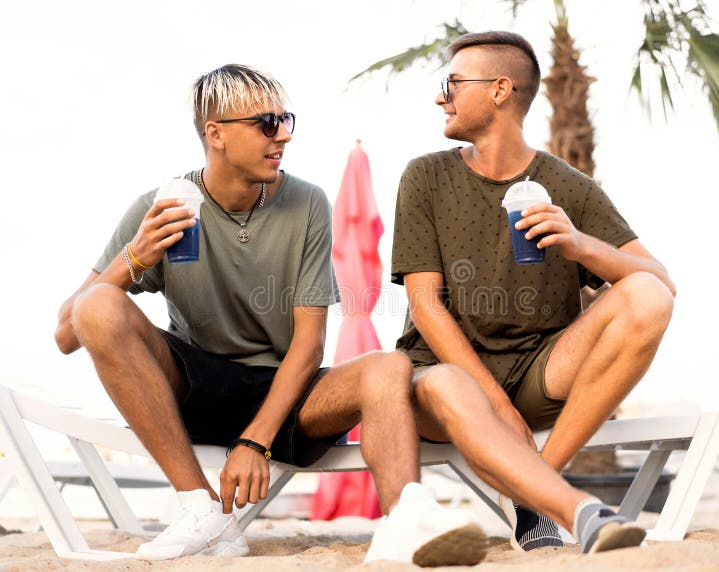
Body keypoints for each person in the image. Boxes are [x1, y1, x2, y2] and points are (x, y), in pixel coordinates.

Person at [54, 64, 488, 566]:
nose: (282, 134)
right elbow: (69, 331)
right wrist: (134, 257)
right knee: (100, 302)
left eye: (287, 120)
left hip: (286, 392)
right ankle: (200, 509)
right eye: (265, 123)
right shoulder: (162, 206)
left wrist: (254, 443)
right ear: (214, 134)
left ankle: (403, 521)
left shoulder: (306, 203)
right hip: (194, 385)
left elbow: (310, 344)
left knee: (389, 365)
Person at [392, 31, 675, 551]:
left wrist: (581, 244)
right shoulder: (425, 176)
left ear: (500, 90)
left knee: (648, 297)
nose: (441, 96)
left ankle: (535, 489)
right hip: (441, 379)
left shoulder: (569, 186)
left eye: (452, 83)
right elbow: (425, 305)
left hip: (539, 377)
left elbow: (659, 282)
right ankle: (548, 497)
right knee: (444, 384)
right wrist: (498, 407)